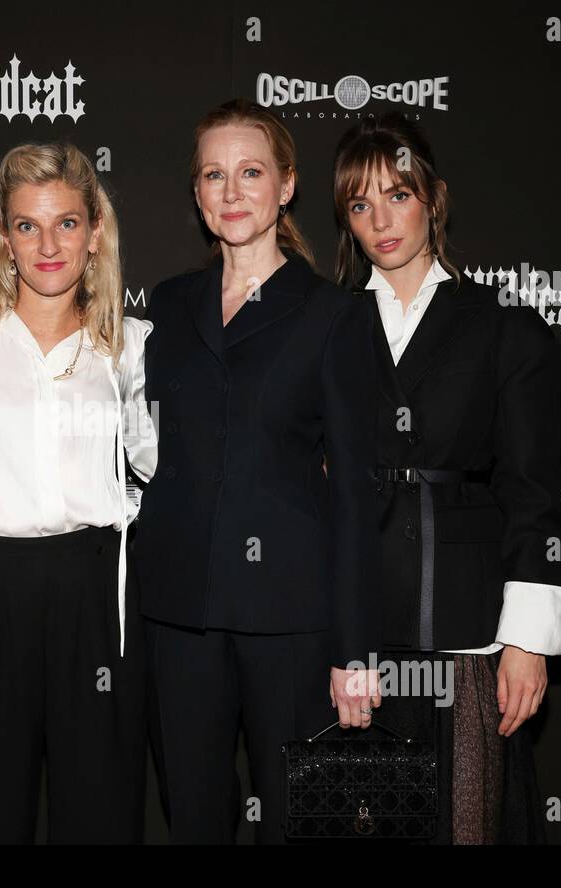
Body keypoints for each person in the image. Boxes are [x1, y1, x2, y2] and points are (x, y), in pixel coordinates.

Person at [332, 111, 561, 844]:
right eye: (360, 203)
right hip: (359, 627)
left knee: (465, 820)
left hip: (468, 630)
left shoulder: (506, 326)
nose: (381, 219)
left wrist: (528, 640)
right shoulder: (330, 327)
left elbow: (533, 493)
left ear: (433, 198)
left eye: (398, 195)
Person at [135, 99, 382, 845]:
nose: (233, 191)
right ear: (198, 193)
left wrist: (357, 652)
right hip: (178, 618)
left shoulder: (333, 315)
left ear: (286, 186)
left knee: (301, 825)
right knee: (194, 822)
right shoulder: (167, 307)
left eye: (251, 172)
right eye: (214, 174)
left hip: (294, 623)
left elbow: (358, 495)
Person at [0, 142, 155, 843]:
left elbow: (163, 465)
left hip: (97, 594)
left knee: (102, 814)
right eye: (27, 224)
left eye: (66, 223)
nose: (48, 243)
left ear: (95, 232)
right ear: (3, 236)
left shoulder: (132, 347)